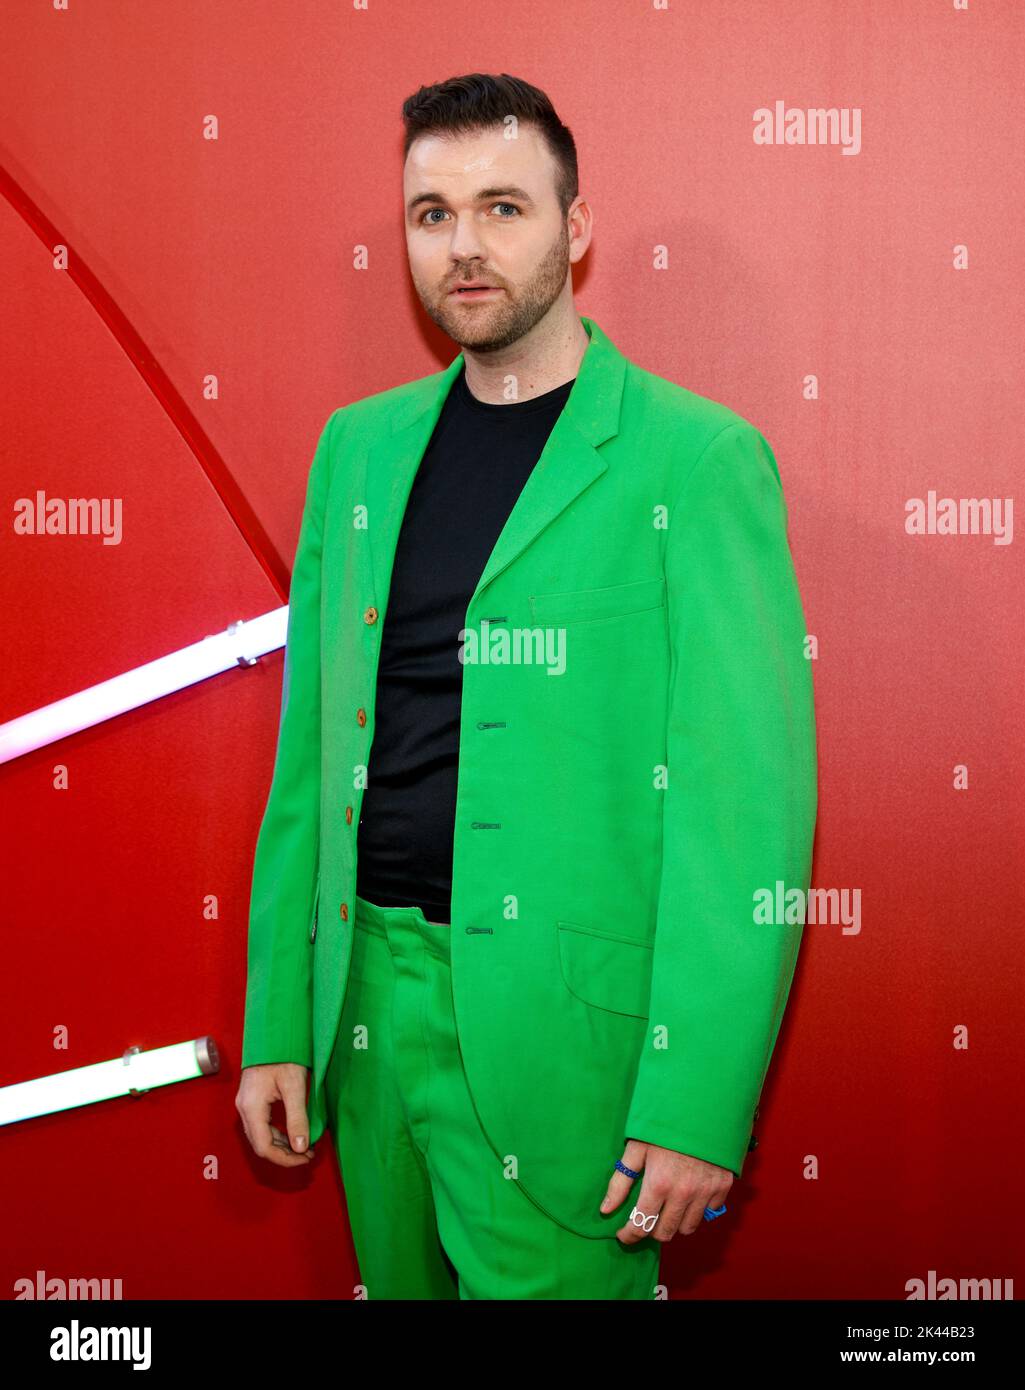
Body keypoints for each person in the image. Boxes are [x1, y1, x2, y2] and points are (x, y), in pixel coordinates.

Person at [236, 71, 818, 1300]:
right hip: (363, 1012)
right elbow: (306, 771)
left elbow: (743, 815)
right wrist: (277, 1024)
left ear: (575, 227)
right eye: (430, 213)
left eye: (502, 207)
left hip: (568, 1044)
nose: (463, 246)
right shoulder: (357, 448)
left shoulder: (696, 461)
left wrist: (697, 1095)